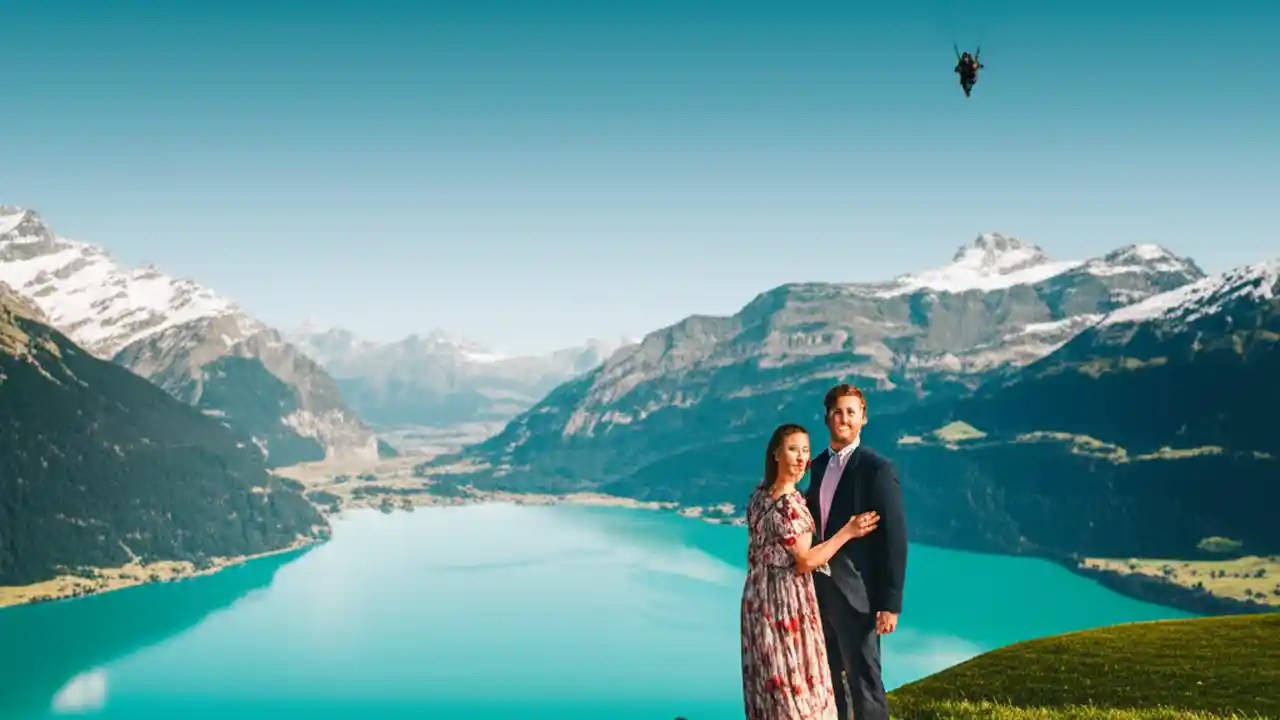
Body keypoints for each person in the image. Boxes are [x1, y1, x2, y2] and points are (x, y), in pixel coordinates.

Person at [740, 423, 881, 720]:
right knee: (795, 680)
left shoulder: (759, 497)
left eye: (805, 451)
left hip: (756, 599)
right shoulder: (792, 505)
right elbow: (804, 560)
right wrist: (848, 532)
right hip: (785, 602)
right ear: (776, 454)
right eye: (793, 449)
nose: (801, 457)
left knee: (769, 679)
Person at [805, 384, 907, 720]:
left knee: (865, 682)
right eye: (837, 412)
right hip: (818, 593)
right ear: (827, 418)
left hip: (856, 595)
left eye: (851, 412)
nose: (844, 418)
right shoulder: (817, 465)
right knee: (826, 679)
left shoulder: (877, 469)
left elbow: (894, 539)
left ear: (863, 418)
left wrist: (889, 604)